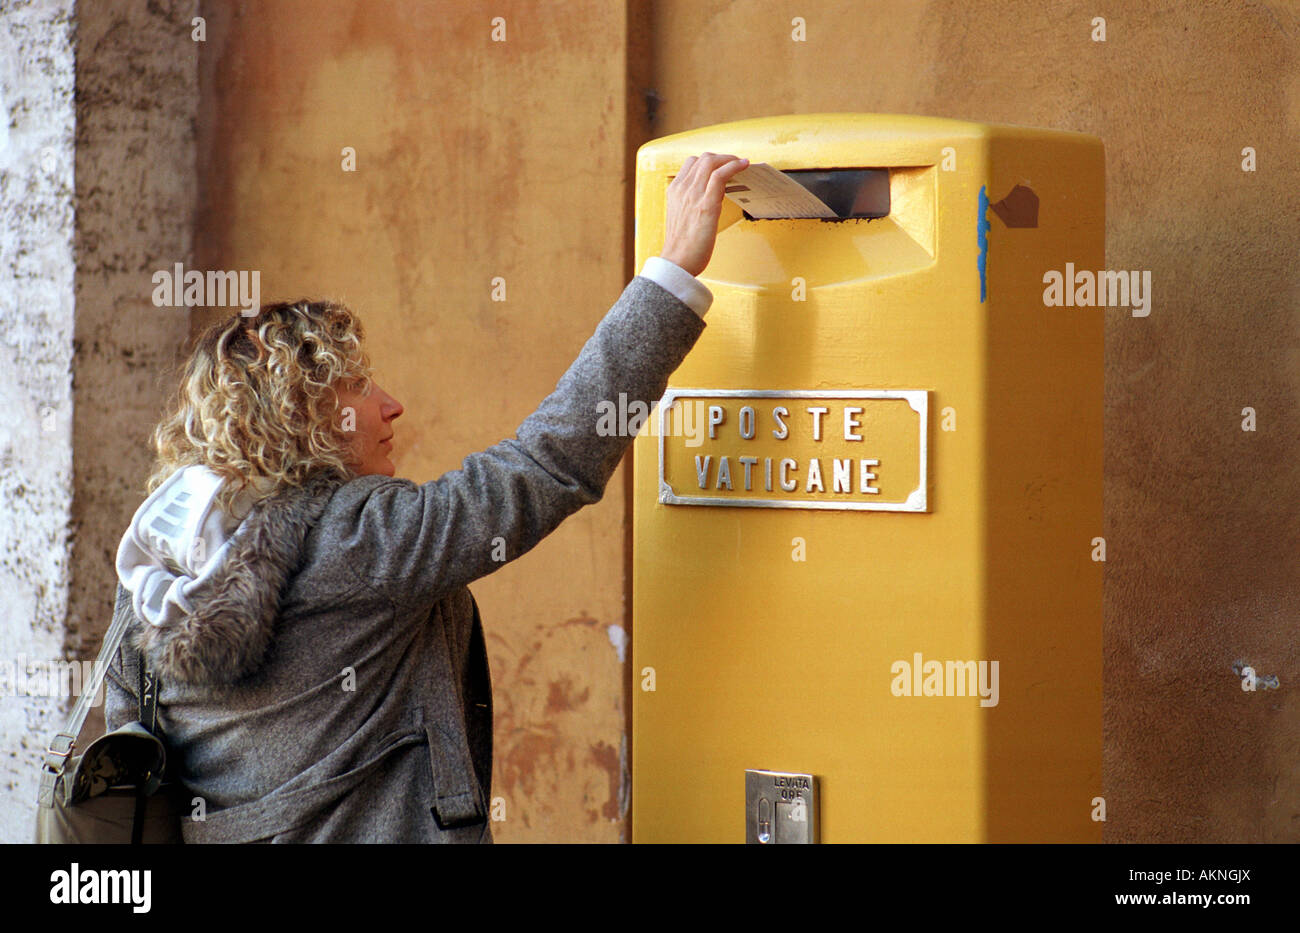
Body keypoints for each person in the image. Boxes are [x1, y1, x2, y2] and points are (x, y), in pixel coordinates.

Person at [102, 152, 750, 843]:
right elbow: (543, 467)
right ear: (302, 415)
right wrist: (671, 273)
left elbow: (134, 749)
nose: (392, 405)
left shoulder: (153, 559)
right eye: (358, 387)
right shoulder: (354, 542)